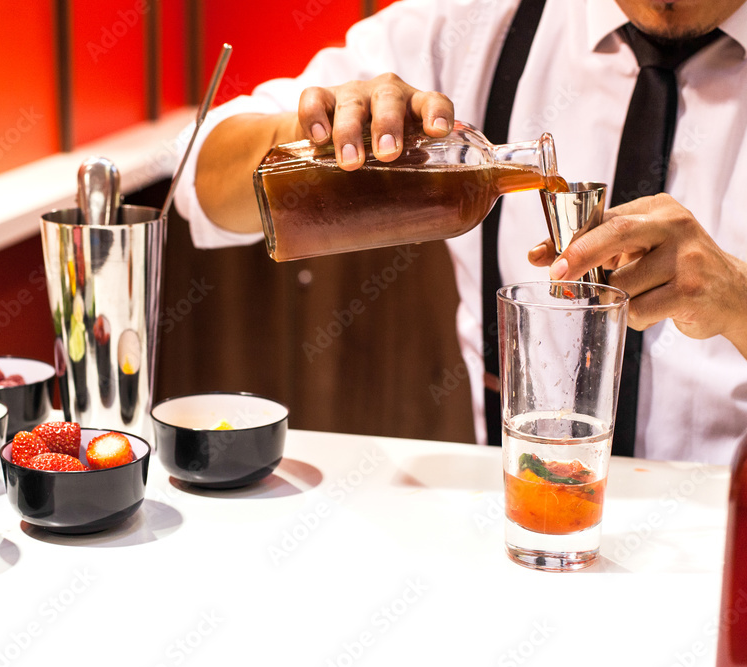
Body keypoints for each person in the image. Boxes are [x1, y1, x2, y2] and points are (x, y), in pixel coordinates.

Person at [172, 0, 747, 465]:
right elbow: (201, 178)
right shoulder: (473, 22)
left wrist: (737, 299)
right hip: (524, 512)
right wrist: (313, 137)